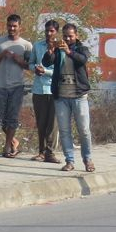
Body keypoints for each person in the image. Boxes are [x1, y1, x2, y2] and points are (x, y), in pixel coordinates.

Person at [43, 23, 94, 172]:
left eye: (70, 36)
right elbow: (46, 62)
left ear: (76, 35)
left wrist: (69, 51)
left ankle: (87, 159)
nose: (67, 38)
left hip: (79, 96)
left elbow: (82, 60)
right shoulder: (59, 49)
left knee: (84, 130)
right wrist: (51, 51)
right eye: (65, 36)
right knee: (64, 131)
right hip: (61, 96)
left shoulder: (81, 49)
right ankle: (69, 160)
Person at [0, 14, 32, 158]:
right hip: (1, 85)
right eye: (9, 26)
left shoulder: (26, 45)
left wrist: (17, 59)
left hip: (17, 86)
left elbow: (29, 65)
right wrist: (3, 55)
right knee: (0, 119)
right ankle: (13, 141)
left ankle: (7, 147)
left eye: (14, 26)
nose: (12, 28)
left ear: (20, 27)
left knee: (12, 117)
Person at [29, 20, 61, 163]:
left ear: (56, 32)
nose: (49, 33)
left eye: (52, 31)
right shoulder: (37, 45)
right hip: (39, 89)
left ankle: (51, 152)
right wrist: (35, 68)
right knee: (41, 122)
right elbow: (30, 63)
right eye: (47, 30)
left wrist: (46, 71)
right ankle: (41, 152)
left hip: (54, 89)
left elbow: (60, 71)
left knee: (53, 123)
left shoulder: (61, 48)